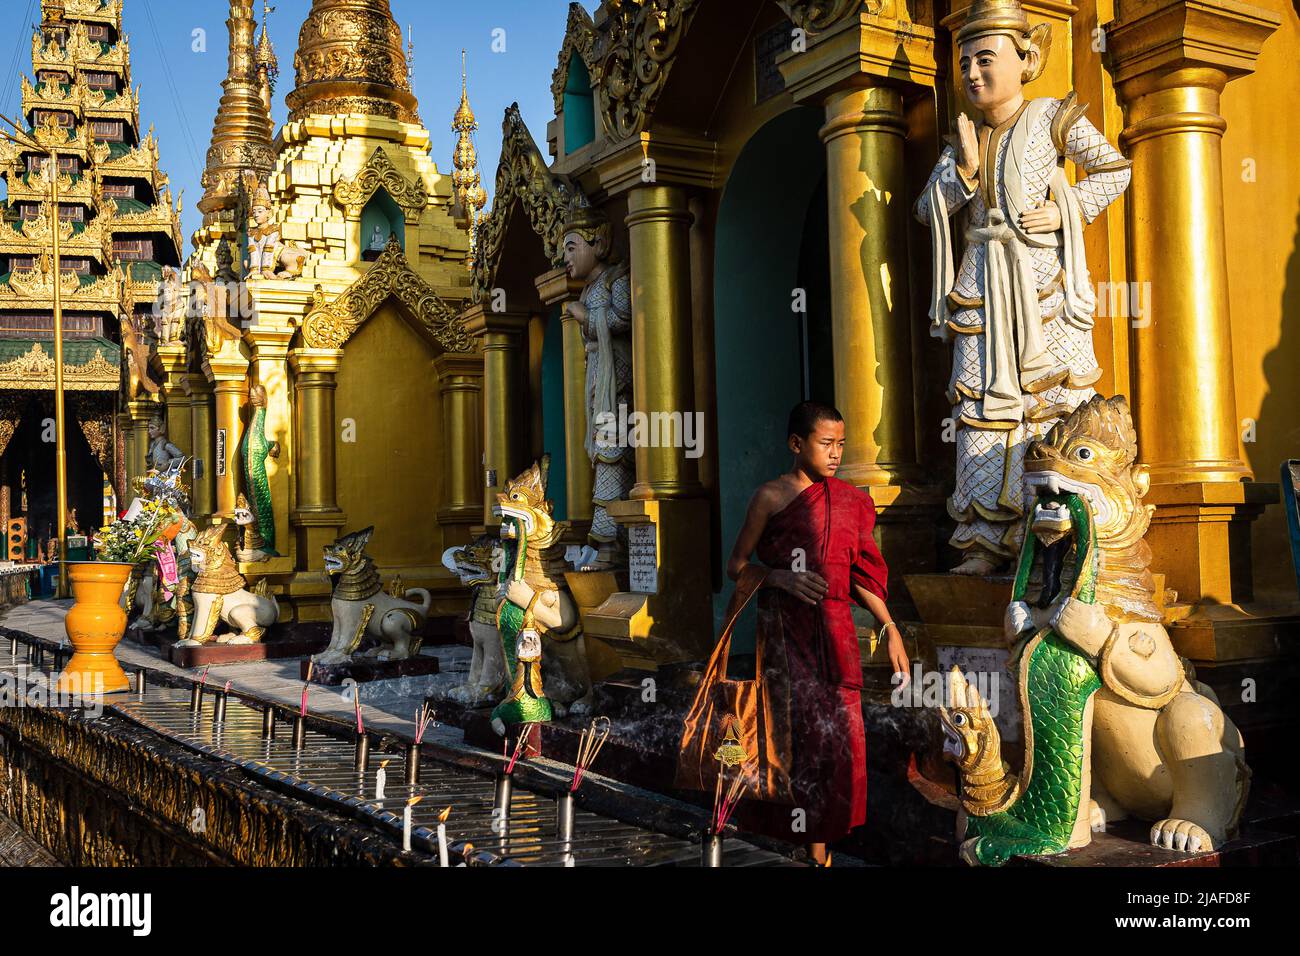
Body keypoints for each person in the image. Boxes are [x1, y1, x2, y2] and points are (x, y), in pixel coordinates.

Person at [726, 401, 909, 865]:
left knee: (841, 742)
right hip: (787, 641)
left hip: (837, 635)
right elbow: (737, 566)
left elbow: (860, 577)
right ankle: (813, 851)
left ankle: (821, 846)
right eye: (825, 444)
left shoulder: (852, 502)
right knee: (800, 740)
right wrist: (779, 577)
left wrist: (890, 628)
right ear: (796, 444)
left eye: (841, 444)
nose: (835, 454)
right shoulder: (770, 497)